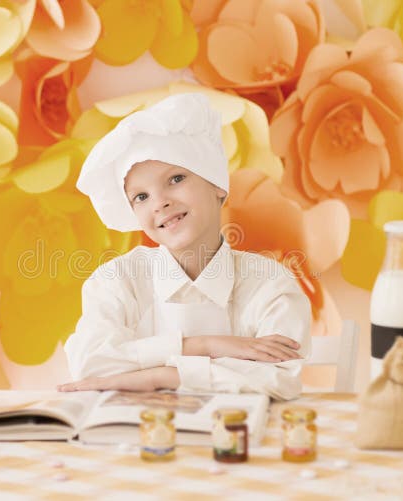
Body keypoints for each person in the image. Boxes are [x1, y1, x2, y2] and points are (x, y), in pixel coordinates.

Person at [58, 93, 311, 400]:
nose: (160, 203)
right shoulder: (116, 281)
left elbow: (281, 379)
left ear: (217, 184)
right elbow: (90, 364)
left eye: (176, 179)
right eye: (141, 197)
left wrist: (162, 376)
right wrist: (202, 345)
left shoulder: (269, 284)